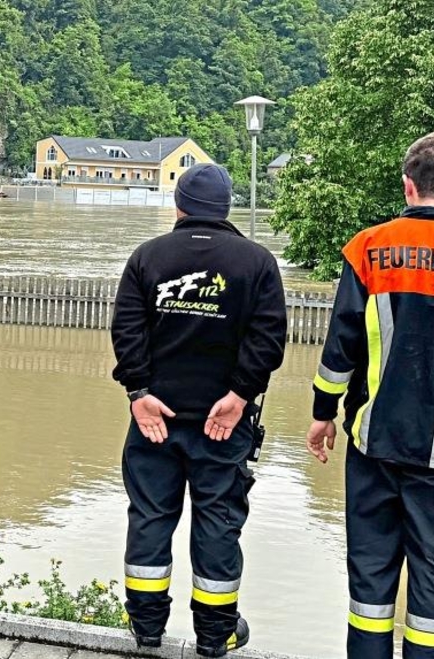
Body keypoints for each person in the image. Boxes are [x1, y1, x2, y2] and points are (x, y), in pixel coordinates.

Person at [111, 164, 287, 657]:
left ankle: (146, 629)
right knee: (217, 521)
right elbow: (268, 339)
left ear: (179, 205)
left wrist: (139, 392)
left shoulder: (148, 257)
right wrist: (238, 395)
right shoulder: (256, 262)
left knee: (150, 515)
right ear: (227, 207)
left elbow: (127, 331)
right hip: (222, 426)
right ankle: (216, 636)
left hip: (153, 423)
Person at [307, 132, 434, 659]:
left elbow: (339, 348)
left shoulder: (368, 248)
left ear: (408, 185)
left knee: (369, 587)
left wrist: (323, 416)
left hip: (372, 444)